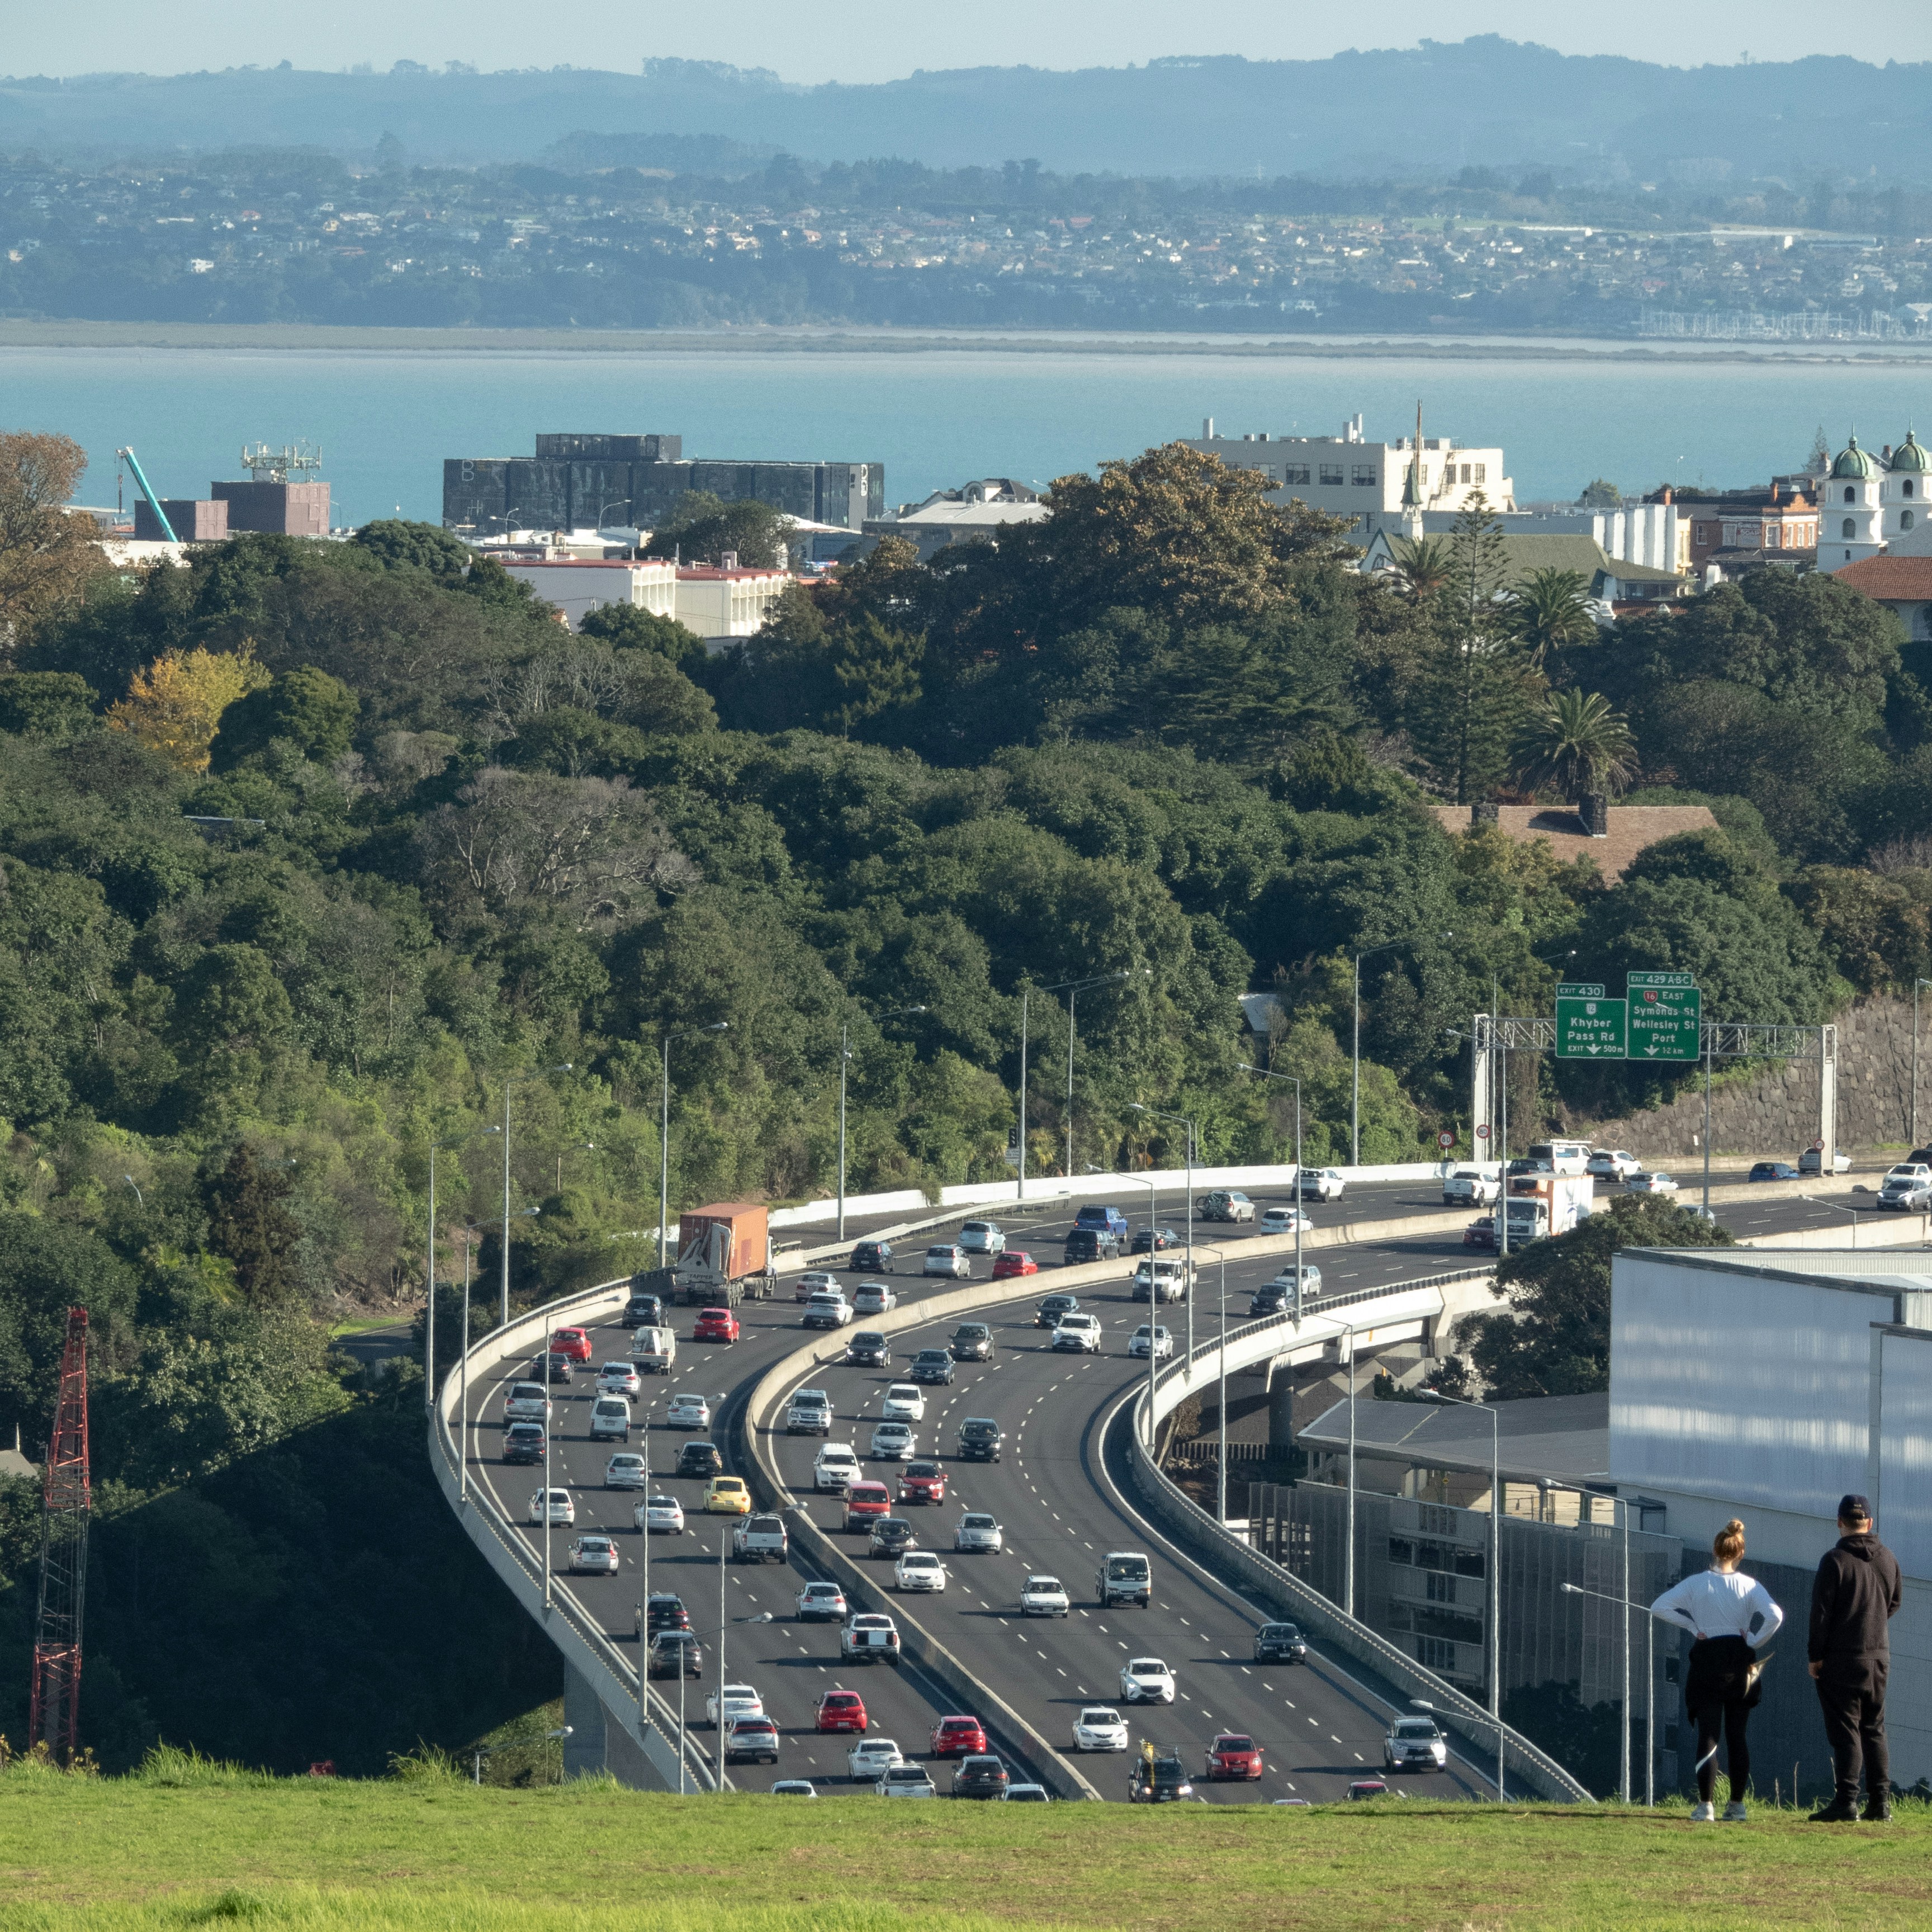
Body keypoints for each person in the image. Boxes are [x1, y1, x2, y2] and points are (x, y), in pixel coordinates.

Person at [1651, 1518, 1784, 1822]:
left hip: (1707, 1661)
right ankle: (1737, 1806)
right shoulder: (1750, 1585)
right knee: (1738, 1736)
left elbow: (1659, 1607)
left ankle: (1706, 1805)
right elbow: (1776, 1615)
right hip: (1741, 1662)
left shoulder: (1697, 1584)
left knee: (1708, 1736)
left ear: (1714, 1549)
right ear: (1741, 1553)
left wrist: (1691, 1625)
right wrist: (1754, 1638)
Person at [1808, 1493, 1903, 1824]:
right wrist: (1872, 1623)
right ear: (1870, 1523)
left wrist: (1815, 1657)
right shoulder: (1888, 1558)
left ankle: (1847, 1802)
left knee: (1847, 1729)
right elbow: (1894, 1602)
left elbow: (1821, 1615)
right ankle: (1880, 1803)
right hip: (1878, 1657)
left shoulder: (1834, 1560)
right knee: (1874, 1728)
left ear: (1840, 1523)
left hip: (1842, 1658)